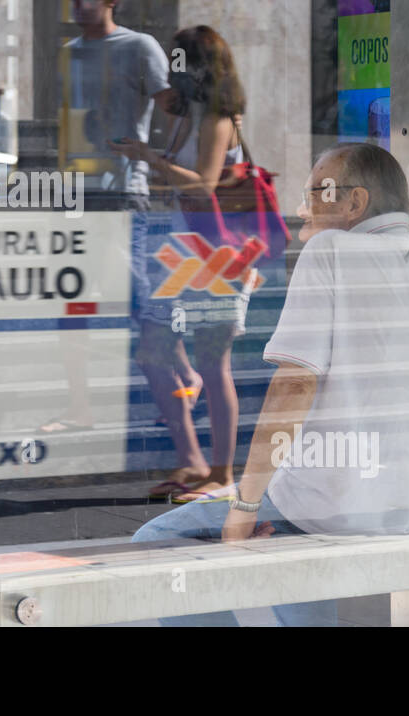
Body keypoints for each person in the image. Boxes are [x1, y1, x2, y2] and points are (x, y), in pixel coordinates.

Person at [132, 143, 409, 626]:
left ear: (355, 203)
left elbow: (294, 386)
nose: (302, 208)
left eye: (315, 193)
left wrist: (245, 504)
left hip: (327, 509)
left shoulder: (329, 249)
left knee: (157, 545)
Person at [37, 0, 203, 437]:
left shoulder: (139, 47)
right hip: (75, 194)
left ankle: (187, 377)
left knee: (140, 303)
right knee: (72, 304)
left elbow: (175, 107)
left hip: (123, 195)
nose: (78, 3)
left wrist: (159, 161)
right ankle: (81, 408)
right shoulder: (68, 52)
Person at [111, 26, 254, 503]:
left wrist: (147, 157)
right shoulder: (190, 114)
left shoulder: (218, 118)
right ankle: (194, 460)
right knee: (152, 351)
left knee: (214, 365)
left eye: (179, 61)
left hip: (217, 254)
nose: (172, 69)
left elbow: (205, 184)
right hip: (180, 248)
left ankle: (222, 474)